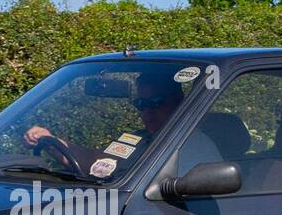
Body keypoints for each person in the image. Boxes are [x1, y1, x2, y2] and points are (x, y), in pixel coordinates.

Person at [21, 70, 188, 173]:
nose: (148, 111)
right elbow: (97, 161)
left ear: (179, 101)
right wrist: (51, 142)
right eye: (141, 104)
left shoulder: (191, 142)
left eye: (156, 103)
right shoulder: (139, 139)